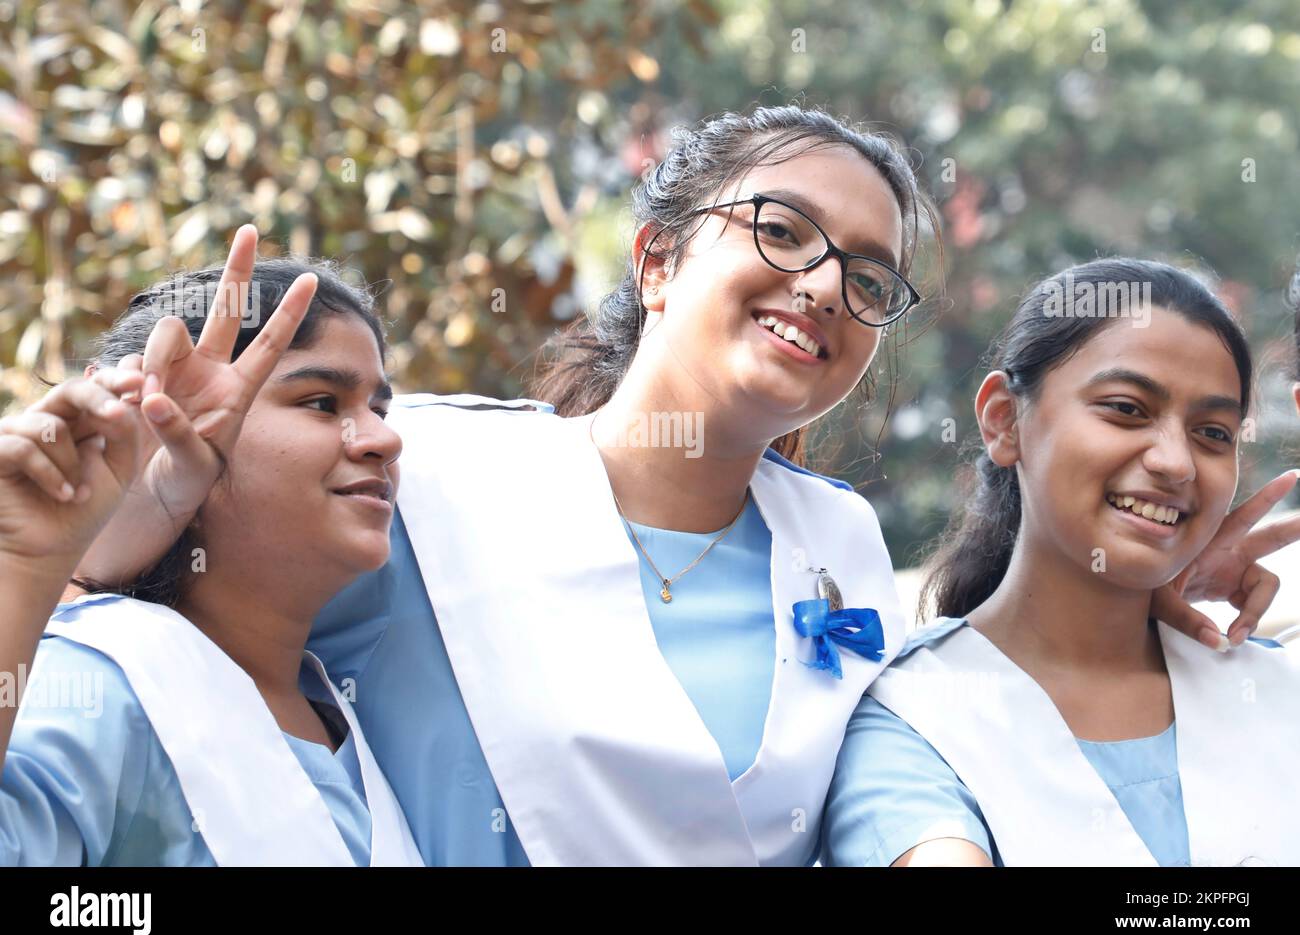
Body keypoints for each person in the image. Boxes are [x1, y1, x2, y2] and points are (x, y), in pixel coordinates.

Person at [69, 108, 1300, 866]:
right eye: (780, 230)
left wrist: (1136, 584)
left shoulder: (843, 544)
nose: (822, 286)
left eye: (867, 278)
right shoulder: (427, 474)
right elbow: (173, 606)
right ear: (657, 258)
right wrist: (152, 487)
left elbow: (944, 735)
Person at [822, 259, 1300, 867]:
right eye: (1127, 408)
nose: (1176, 463)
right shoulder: (911, 720)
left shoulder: (1277, 692)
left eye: (1213, 433)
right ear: (1004, 419)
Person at [0, 255, 421, 865]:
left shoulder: (350, 716)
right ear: (169, 436)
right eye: (323, 403)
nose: (384, 439)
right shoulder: (108, 678)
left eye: (379, 410)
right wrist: (23, 564)